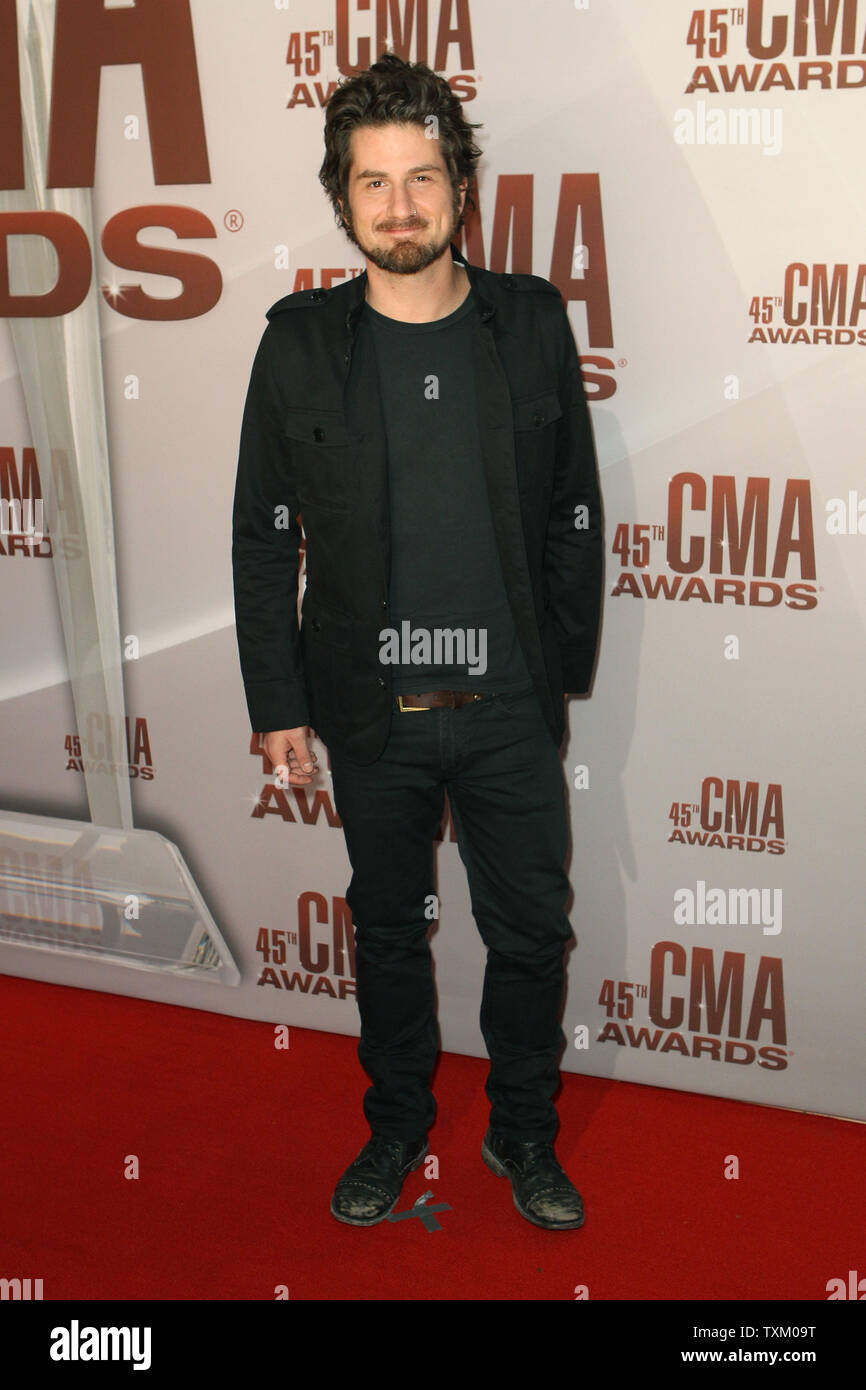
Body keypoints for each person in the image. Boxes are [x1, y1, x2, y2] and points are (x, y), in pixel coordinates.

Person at [232, 51, 603, 1231]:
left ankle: (521, 1133)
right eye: (373, 182)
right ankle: (395, 1129)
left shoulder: (532, 325)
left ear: (461, 189)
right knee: (388, 933)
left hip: (502, 710)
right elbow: (262, 538)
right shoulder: (295, 343)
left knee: (530, 934)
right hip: (370, 713)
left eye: (422, 178)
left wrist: (555, 676)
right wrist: (276, 704)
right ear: (343, 200)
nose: (400, 205)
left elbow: (570, 517)